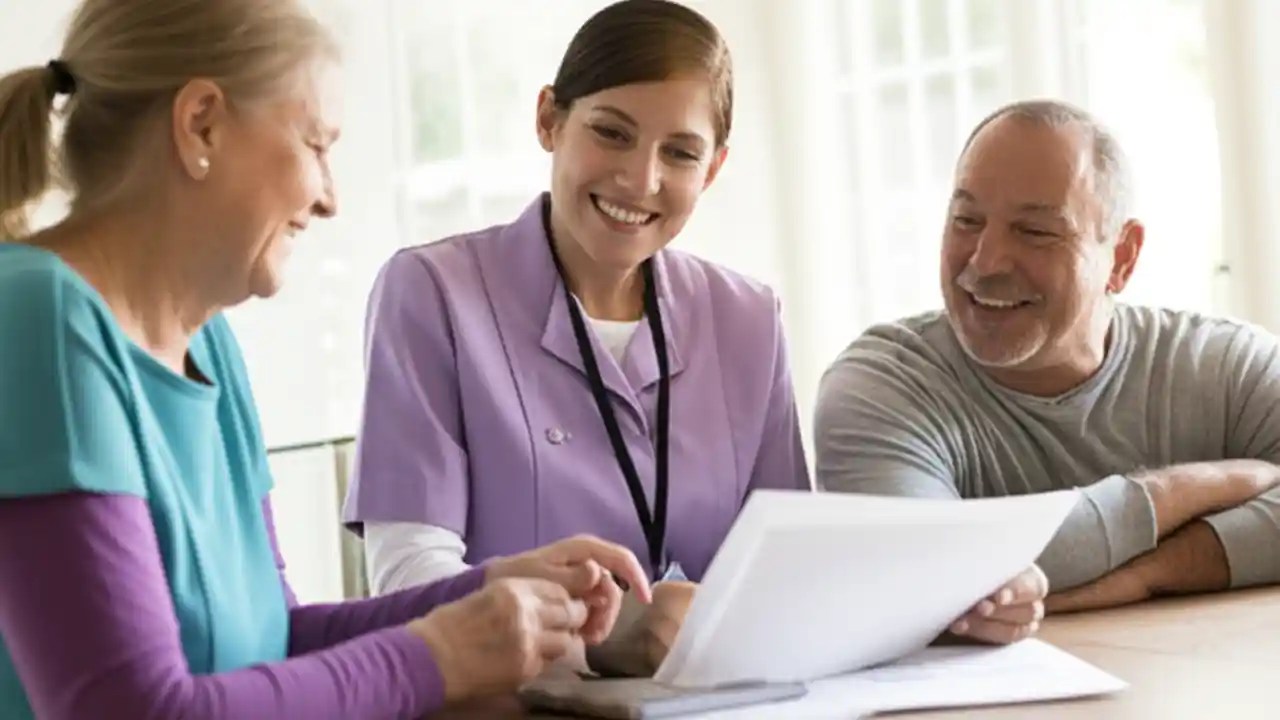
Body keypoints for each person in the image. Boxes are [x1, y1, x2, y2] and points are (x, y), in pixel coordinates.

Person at [342, 0, 1045, 668]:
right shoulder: (432, 294)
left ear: (713, 168)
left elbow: (790, 572)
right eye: (611, 132)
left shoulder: (747, 319)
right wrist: (607, 628)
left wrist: (951, 602)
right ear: (549, 119)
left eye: (679, 153)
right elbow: (409, 578)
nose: (639, 178)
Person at [0, 2, 652, 718]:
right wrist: (441, 655)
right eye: (316, 144)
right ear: (201, 124)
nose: (331, 198)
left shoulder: (208, 343)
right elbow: (129, 710)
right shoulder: (36, 317)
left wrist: (490, 592)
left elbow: (277, 641)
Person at [816, 99, 1280, 615]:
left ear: (1122, 257)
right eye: (966, 220)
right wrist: (1179, 492)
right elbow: (926, 570)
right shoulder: (883, 384)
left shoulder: (1227, 366)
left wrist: (1146, 577)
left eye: (1035, 231)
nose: (985, 261)